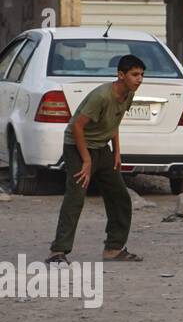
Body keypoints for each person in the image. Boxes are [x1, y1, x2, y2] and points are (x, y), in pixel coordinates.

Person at [46, 54, 147, 264]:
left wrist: (117, 151)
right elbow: (77, 127)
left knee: (120, 197)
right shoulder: (102, 96)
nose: (139, 79)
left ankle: (114, 249)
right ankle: (58, 252)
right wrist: (86, 160)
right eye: (135, 74)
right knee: (76, 197)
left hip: (102, 149)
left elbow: (114, 122)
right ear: (121, 75)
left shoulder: (128, 95)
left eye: (142, 75)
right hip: (78, 147)